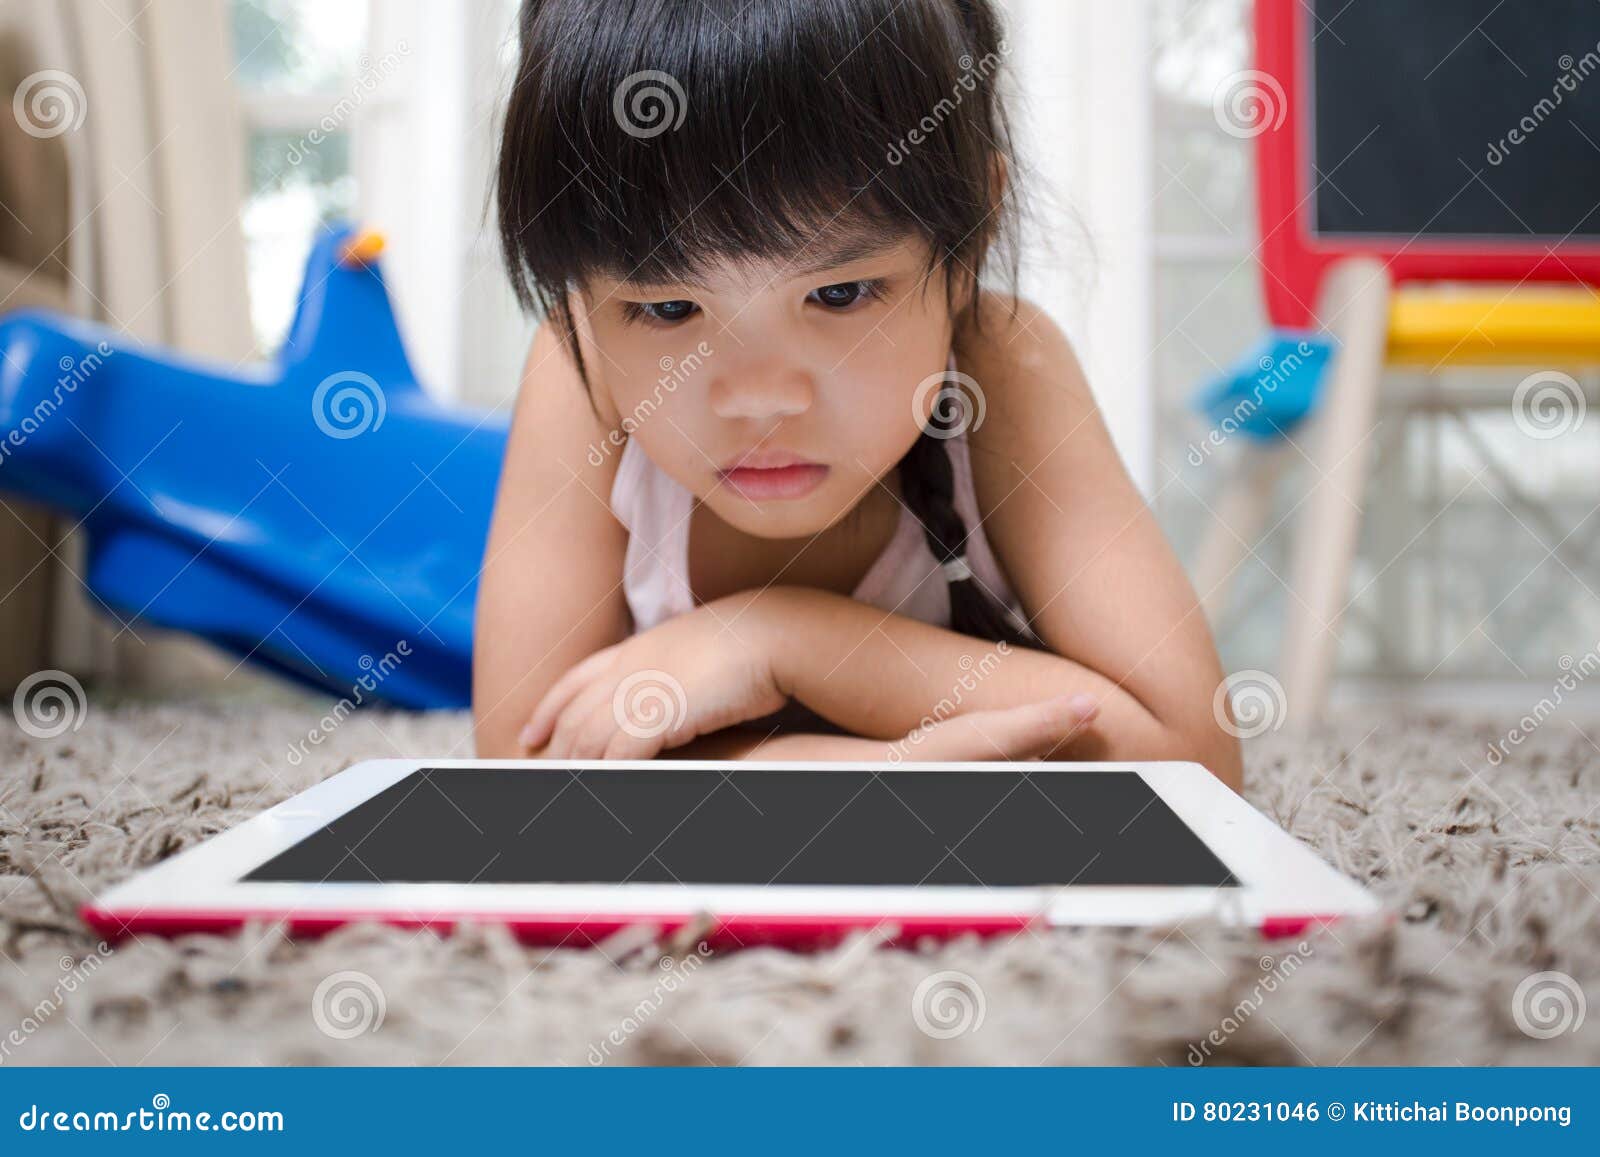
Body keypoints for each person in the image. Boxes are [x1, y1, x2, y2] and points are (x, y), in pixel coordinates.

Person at [473, 0, 1241, 787]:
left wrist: (779, 639)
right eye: (671, 308)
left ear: (971, 237)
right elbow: (519, 770)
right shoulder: (581, 373)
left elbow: (1196, 756)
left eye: (839, 296)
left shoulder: (1004, 366)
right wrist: (867, 769)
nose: (762, 397)